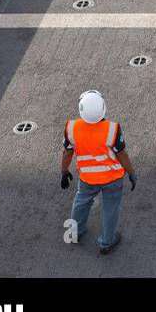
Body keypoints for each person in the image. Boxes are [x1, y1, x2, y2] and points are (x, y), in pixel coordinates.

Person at [61, 89, 136, 255]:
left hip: (87, 178)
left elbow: (67, 153)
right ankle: (106, 243)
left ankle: (74, 233)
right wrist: (131, 173)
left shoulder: (71, 128)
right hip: (112, 178)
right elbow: (121, 154)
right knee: (111, 209)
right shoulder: (112, 129)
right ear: (103, 107)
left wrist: (64, 172)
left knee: (81, 202)